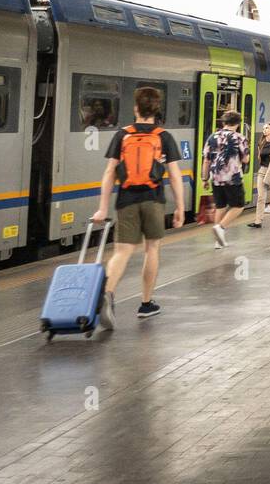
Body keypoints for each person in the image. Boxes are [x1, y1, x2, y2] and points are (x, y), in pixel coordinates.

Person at [90, 85, 185, 326]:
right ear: (156, 109)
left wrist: (102, 207)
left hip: (126, 199)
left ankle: (107, 294)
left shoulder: (123, 135)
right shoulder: (164, 136)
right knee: (152, 249)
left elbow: (109, 172)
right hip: (153, 199)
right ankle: (146, 303)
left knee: (122, 251)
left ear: (135, 109)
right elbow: (174, 175)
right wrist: (180, 207)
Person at [201, 110, 249, 248]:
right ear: (238, 123)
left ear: (223, 122)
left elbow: (206, 160)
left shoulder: (212, 137)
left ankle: (218, 241)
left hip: (216, 177)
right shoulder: (239, 138)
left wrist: (204, 179)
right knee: (238, 206)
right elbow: (245, 159)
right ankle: (220, 228)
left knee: (220, 206)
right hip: (232, 177)